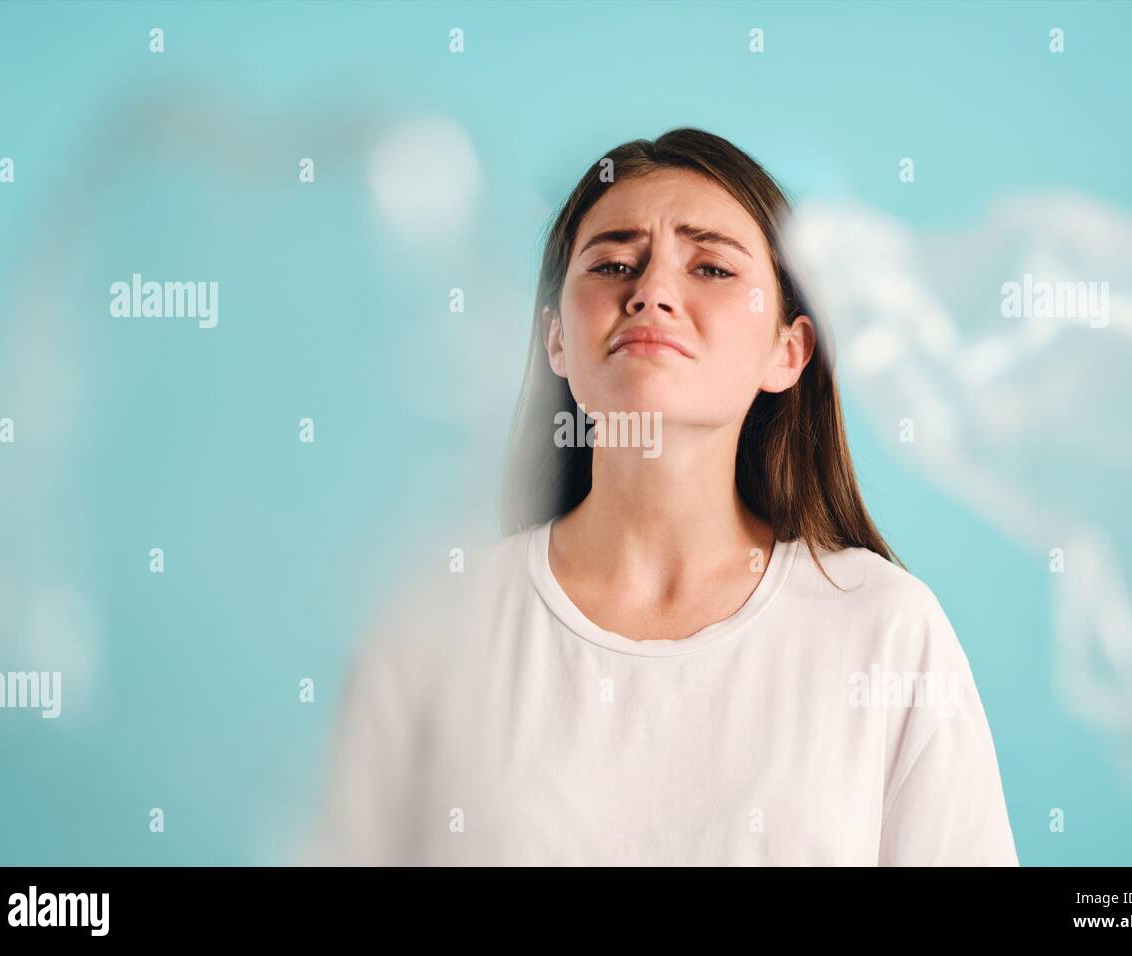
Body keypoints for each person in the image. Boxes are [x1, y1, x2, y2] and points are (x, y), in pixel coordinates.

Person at [304, 128, 1018, 866]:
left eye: (710, 267)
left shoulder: (887, 631)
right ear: (556, 340)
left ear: (789, 351)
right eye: (614, 263)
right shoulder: (430, 629)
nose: (651, 293)